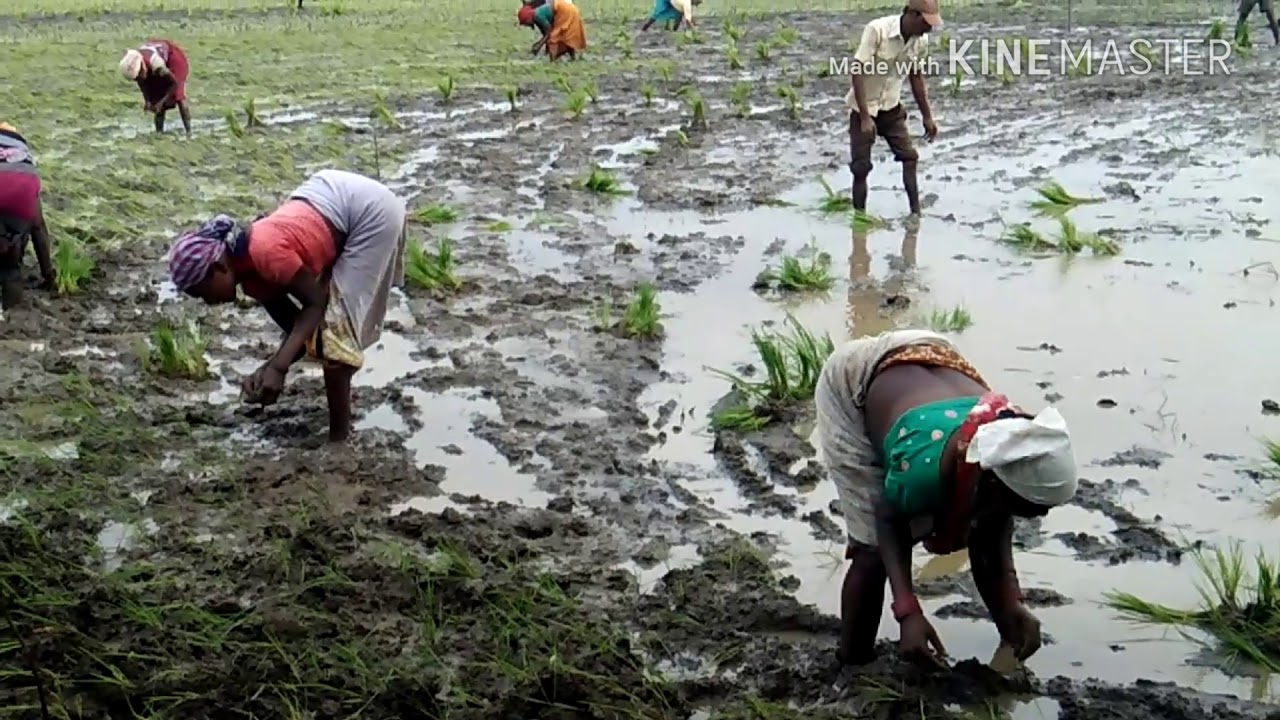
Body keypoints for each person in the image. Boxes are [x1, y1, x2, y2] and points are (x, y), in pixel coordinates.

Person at [814, 330, 1078, 667]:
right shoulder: (928, 470)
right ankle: (852, 662)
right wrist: (908, 613)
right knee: (872, 552)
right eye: (1031, 507)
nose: (1038, 516)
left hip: (929, 352)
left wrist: (1011, 607)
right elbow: (886, 519)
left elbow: (991, 537)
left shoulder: (1012, 445)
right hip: (854, 377)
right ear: (996, 483)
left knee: (979, 513)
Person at [167, 170, 407, 442]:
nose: (207, 302)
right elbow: (299, 329)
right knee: (326, 336)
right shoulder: (253, 281)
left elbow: (315, 305)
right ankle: (342, 410)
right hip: (331, 200)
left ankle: (340, 438)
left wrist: (279, 368)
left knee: (336, 334)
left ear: (218, 267)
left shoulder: (264, 252)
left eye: (202, 293)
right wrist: (270, 366)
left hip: (369, 211)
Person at [848, 0, 940, 217]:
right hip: (864, 109)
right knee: (861, 168)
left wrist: (927, 116)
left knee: (910, 157)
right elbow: (857, 70)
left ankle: (916, 214)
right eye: (926, 23)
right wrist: (864, 117)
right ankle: (859, 219)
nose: (929, 28)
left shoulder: (920, 41)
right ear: (911, 14)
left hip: (891, 109)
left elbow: (915, 76)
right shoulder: (877, 30)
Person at [0, 123, 55, 308]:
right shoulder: (21, 154)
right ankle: (8, 321)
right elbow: (38, 226)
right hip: (22, 187)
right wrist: (48, 275)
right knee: (10, 267)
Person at [119, 39, 192, 136]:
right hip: (156, 57)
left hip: (173, 58)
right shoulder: (135, 63)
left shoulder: (157, 65)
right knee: (156, 97)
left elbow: (174, 83)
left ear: (142, 67)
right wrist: (148, 101)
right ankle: (159, 132)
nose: (139, 79)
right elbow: (143, 84)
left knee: (178, 96)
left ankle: (189, 131)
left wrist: (161, 102)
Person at [518, 0, 587, 60]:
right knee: (565, 37)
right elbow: (545, 33)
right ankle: (572, 58)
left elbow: (548, 32)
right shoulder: (537, 15)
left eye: (525, 23)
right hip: (570, 9)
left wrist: (539, 45)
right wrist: (540, 44)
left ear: (528, 18)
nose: (526, 25)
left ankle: (552, 61)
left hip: (565, 12)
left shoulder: (537, 16)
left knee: (553, 39)